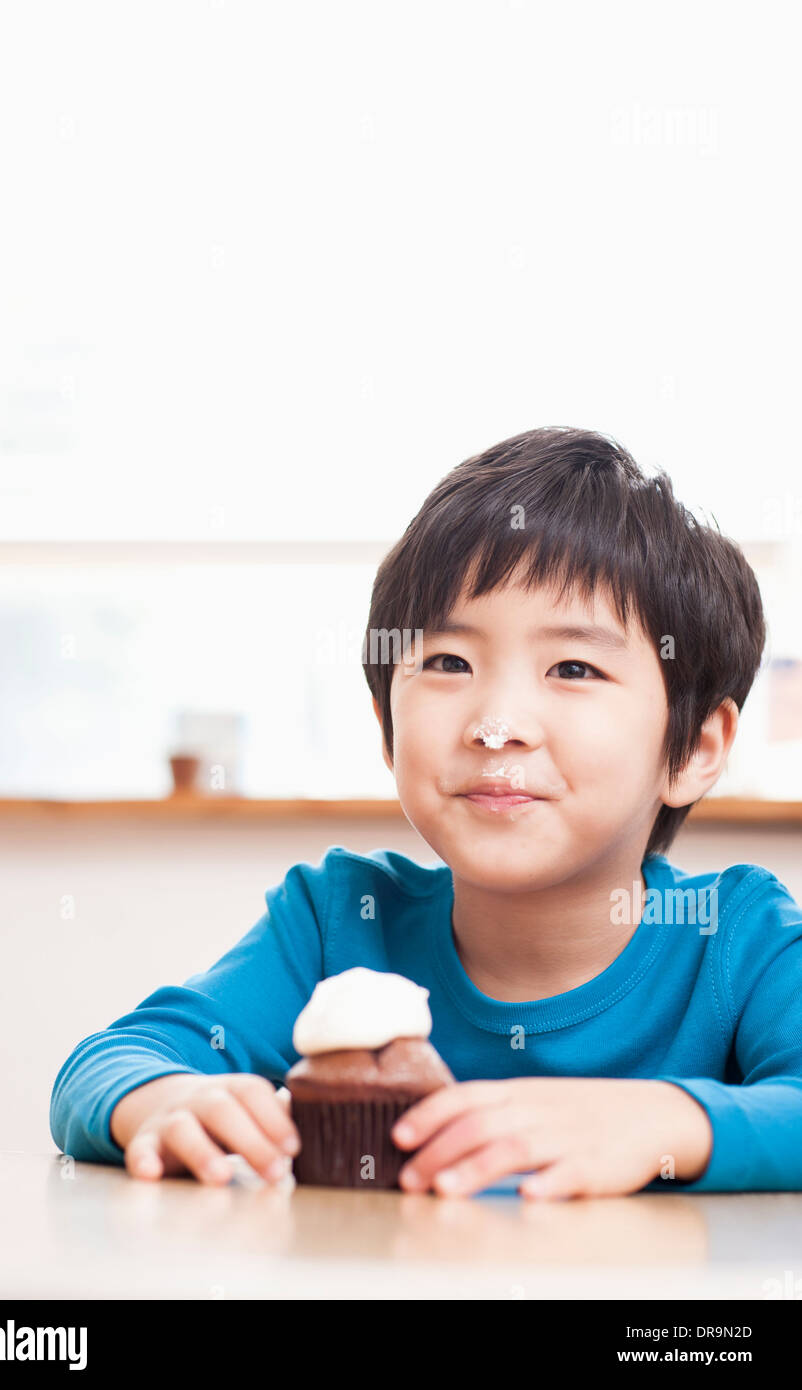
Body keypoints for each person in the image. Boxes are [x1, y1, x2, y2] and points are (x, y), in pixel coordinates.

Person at [50, 426, 802, 1198]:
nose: (496, 724)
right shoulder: (338, 923)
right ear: (386, 724)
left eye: (573, 668)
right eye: (449, 662)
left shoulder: (737, 940)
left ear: (695, 748)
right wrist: (166, 1102)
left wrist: (667, 1123)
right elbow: (108, 1064)